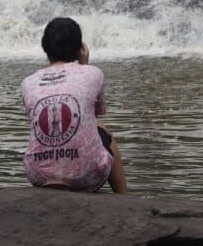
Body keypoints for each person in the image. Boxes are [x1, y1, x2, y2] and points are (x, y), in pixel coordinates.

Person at [21, 17, 128, 193]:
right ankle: (124, 199)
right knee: (104, 131)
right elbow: (94, 115)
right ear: (80, 48)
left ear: (44, 47)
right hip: (86, 175)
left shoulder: (28, 82)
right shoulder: (93, 73)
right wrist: (85, 65)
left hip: (38, 175)